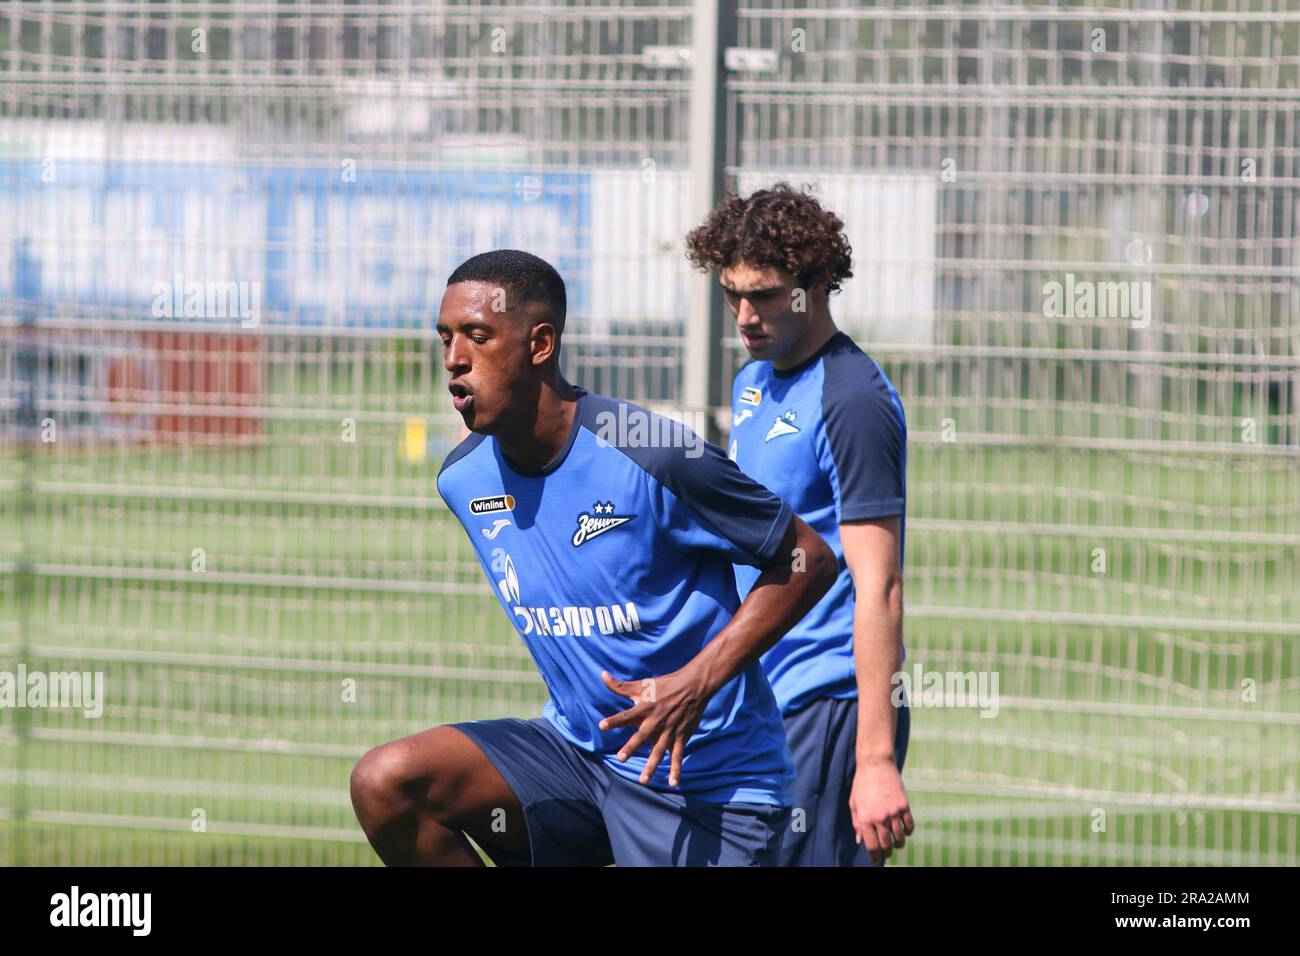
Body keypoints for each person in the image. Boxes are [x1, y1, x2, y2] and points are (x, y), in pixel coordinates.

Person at [349, 249, 837, 866]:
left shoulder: (650, 453)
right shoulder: (464, 479)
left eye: (478, 337)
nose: (454, 361)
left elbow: (809, 559)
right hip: (578, 761)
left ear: (541, 343)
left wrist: (696, 681)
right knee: (388, 782)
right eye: (445, 339)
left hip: (707, 786)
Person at [686, 183, 913, 866]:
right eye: (732, 294)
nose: (745, 315)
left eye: (765, 294)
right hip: (761, 700)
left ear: (814, 285)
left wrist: (873, 761)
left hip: (829, 703)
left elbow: (880, 585)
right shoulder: (751, 383)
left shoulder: (851, 397)